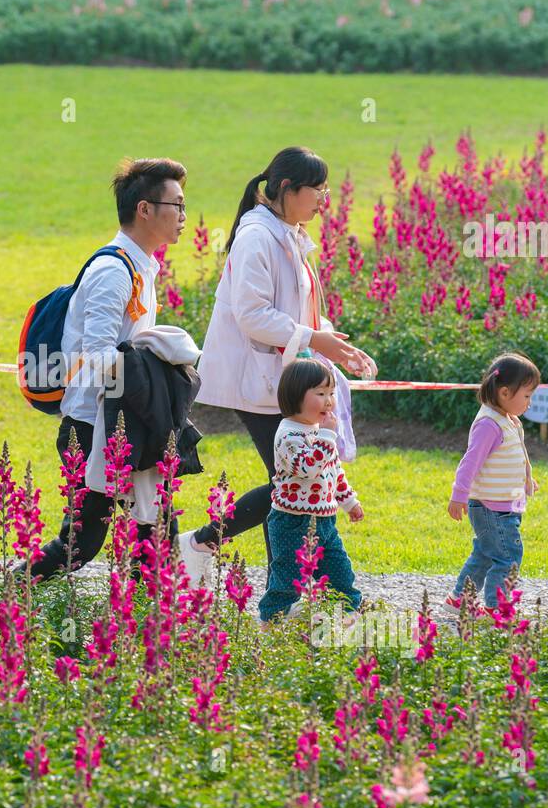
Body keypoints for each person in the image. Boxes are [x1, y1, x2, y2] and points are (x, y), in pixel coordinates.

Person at [176, 147, 377, 584]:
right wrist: (313, 338)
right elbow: (252, 314)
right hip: (259, 380)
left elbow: (296, 310)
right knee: (290, 486)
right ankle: (235, 562)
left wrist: (334, 344)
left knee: (288, 484)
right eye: (318, 190)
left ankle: (258, 573)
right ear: (288, 189)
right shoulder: (258, 237)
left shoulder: (286, 232)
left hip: (280, 377)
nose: (325, 199)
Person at [28, 157, 188, 579]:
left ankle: (147, 631)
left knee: (155, 538)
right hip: (92, 426)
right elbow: (97, 356)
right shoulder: (112, 271)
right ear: (145, 210)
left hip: (126, 421)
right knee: (79, 545)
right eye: (177, 205)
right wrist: (153, 376)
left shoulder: (142, 267)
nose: (184, 217)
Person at [258, 358, 365, 627]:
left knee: (340, 570)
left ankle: (348, 608)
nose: (329, 401)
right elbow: (310, 468)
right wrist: (328, 437)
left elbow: (333, 471)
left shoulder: (319, 431)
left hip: (325, 521)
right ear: (295, 396)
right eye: (320, 394)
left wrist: (349, 501)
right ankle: (272, 618)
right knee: (288, 577)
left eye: (331, 393)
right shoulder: (288, 435)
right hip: (292, 522)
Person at [447, 352, 541, 609]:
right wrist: (459, 495)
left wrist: (525, 482)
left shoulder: (508, 420)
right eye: (526, 396)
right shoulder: (489, 424)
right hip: (491, 508)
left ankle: (459, 599)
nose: (529, 403)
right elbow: (470, 462)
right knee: (508, 557)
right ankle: (496, 608)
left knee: (486, 555)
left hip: (503, 506)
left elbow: (512, 457)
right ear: (504, 393)